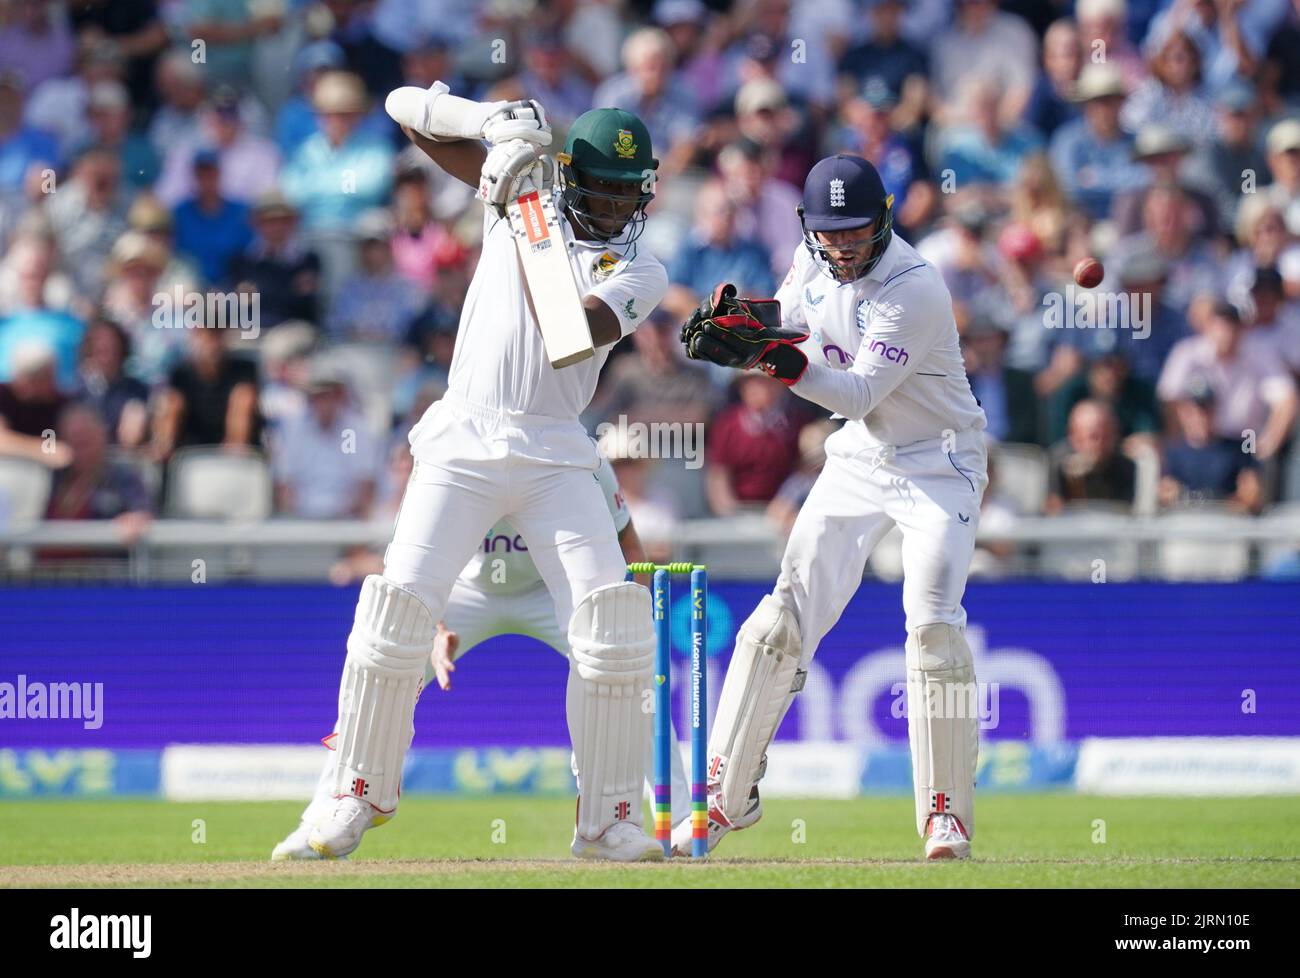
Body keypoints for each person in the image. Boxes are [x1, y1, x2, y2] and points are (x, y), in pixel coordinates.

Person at [307, 87, 670, 861]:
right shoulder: (518, 185)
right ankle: (351, 794)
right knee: (398, 611)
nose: (611, 210)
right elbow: (403, 108)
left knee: (612, 622)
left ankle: (607, 819)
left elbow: (570, 337)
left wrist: (526, 213)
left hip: (553, 449)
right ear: (572, 177)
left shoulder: (641, 268)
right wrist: (491, 128)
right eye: (600, 191)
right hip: (465, 433)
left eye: (625, 196)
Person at [678, 155, 988, 860]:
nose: (841, 246)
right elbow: (789, 317)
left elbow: (853, 394)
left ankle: (946, 812)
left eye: (854, 231)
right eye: (829, 232)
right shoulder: (812, 259)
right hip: (862, 457)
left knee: (933, 623)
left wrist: (764, 359)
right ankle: (726, 795)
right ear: (808, 227)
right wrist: (749, 320)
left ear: (882, 220)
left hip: (940, 464)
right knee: (781, 615)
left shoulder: (915, 288)